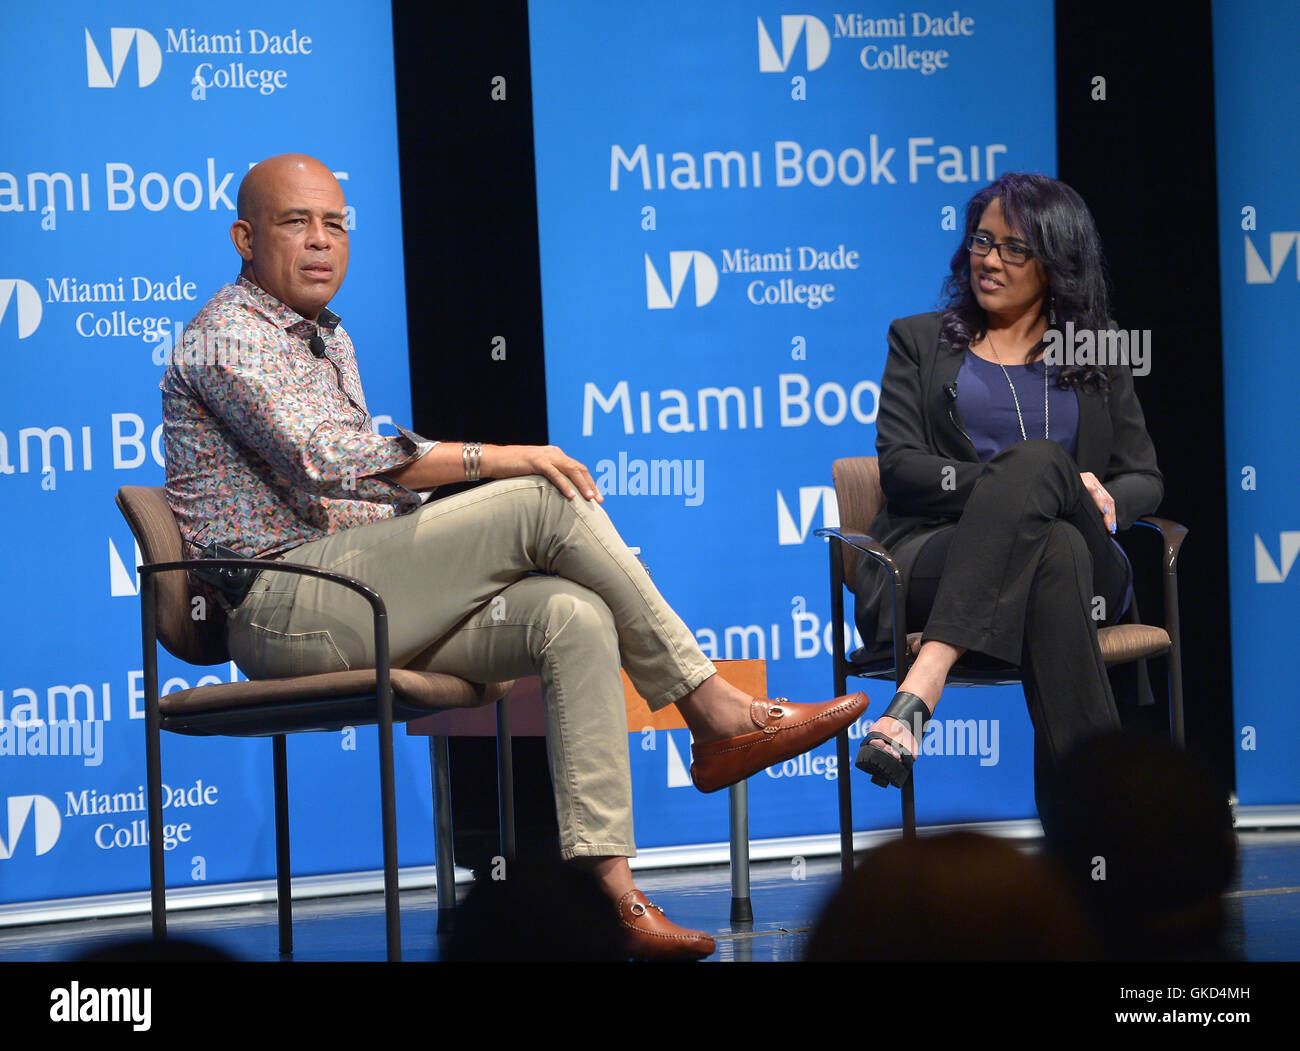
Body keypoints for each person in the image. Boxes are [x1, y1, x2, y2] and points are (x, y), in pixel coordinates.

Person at [160, 153, 867, 961]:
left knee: (572, 615)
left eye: (335, 223)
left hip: (359, 588)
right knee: (537, 492)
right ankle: (711, 711)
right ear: (244, 238)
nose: (322, 241)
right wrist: (496, 459)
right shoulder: (228, 335)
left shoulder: (323, 336)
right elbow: (328, 457)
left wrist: (459, 511)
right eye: (296, 223)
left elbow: (370, 487)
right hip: (288, 604)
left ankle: (613, 898)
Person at [851, 172, 1162, 808]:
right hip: (939, 556)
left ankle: (921, 686)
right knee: (1053, 546)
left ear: (1058, 263)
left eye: (1015, 248)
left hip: (1089, 554)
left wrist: (1106, 498)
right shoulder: (920, 340)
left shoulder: (1098, 351)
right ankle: (1102, 837)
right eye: (981, 241)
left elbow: (1144, 477)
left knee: (1052, 494)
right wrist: (1019, 487)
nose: (990, 260)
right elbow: (902, 467)